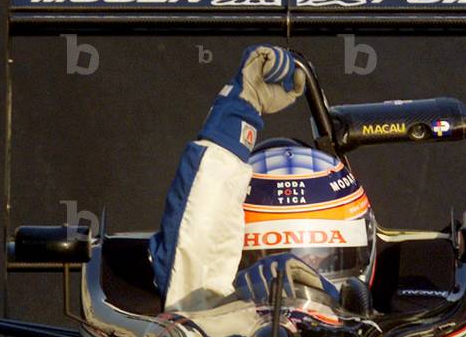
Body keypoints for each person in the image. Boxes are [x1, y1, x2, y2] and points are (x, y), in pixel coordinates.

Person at [150, 45, 375, 312]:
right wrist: (239, 112)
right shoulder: (204, 321)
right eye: (262, 258)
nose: (287, 280)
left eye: (319, 257)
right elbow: (195, 250)